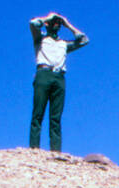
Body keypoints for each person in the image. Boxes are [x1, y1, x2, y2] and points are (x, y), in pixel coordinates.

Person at [28, 11, 88, 152]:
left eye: (57, 23)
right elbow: (33, 24)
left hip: (59, 77)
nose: (56, 24)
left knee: (56, 116)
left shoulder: (63, 44)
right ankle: (34, 148)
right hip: (43, 74)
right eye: (53, 22)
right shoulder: (40, 38)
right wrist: (47, 18)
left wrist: (67, 24)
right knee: (38, 113)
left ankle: (55, 150)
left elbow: (84, 40)